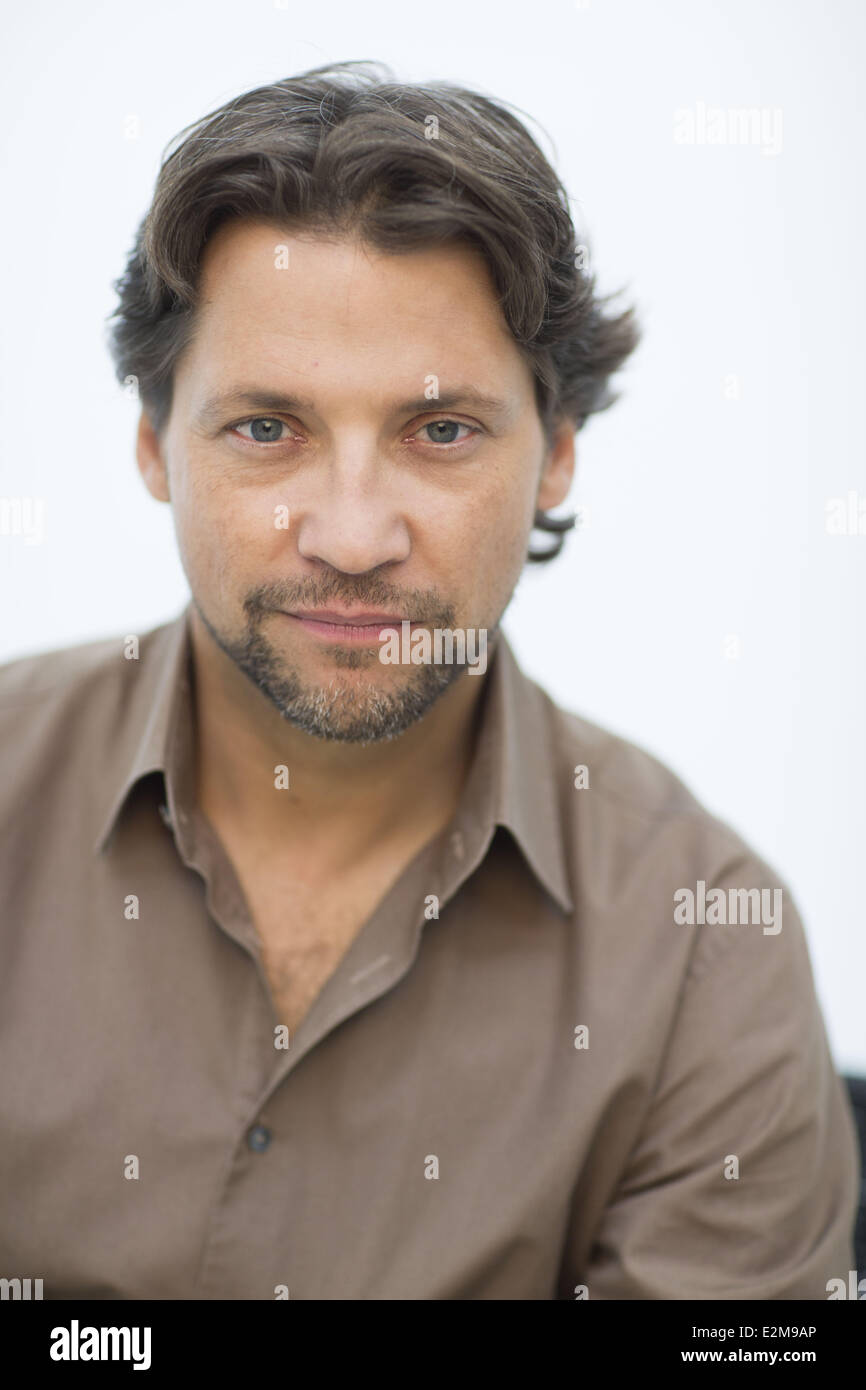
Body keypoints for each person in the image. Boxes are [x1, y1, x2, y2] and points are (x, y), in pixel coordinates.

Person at [0, 61, 857, 1300]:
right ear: (152, 446)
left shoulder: (704, 963)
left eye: (439, 431)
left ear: (556, 454)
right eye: (266, 428)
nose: (352, 536)